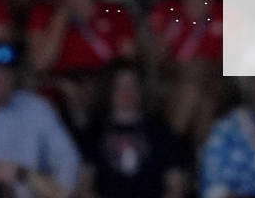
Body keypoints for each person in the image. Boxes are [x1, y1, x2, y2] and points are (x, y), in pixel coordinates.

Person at [0, 41, 80, 197]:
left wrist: (58, 192)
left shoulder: (36, 108)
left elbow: (67, 159)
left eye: (4, 72)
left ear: (14, 75)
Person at [78, 60, 193, 198]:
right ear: (109, 90)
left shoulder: (161, 131)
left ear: (142, 89)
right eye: (121, 86)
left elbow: (175, 186)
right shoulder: (93, 132)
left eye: (132, 85)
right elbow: (84, 186)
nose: (127, 92)